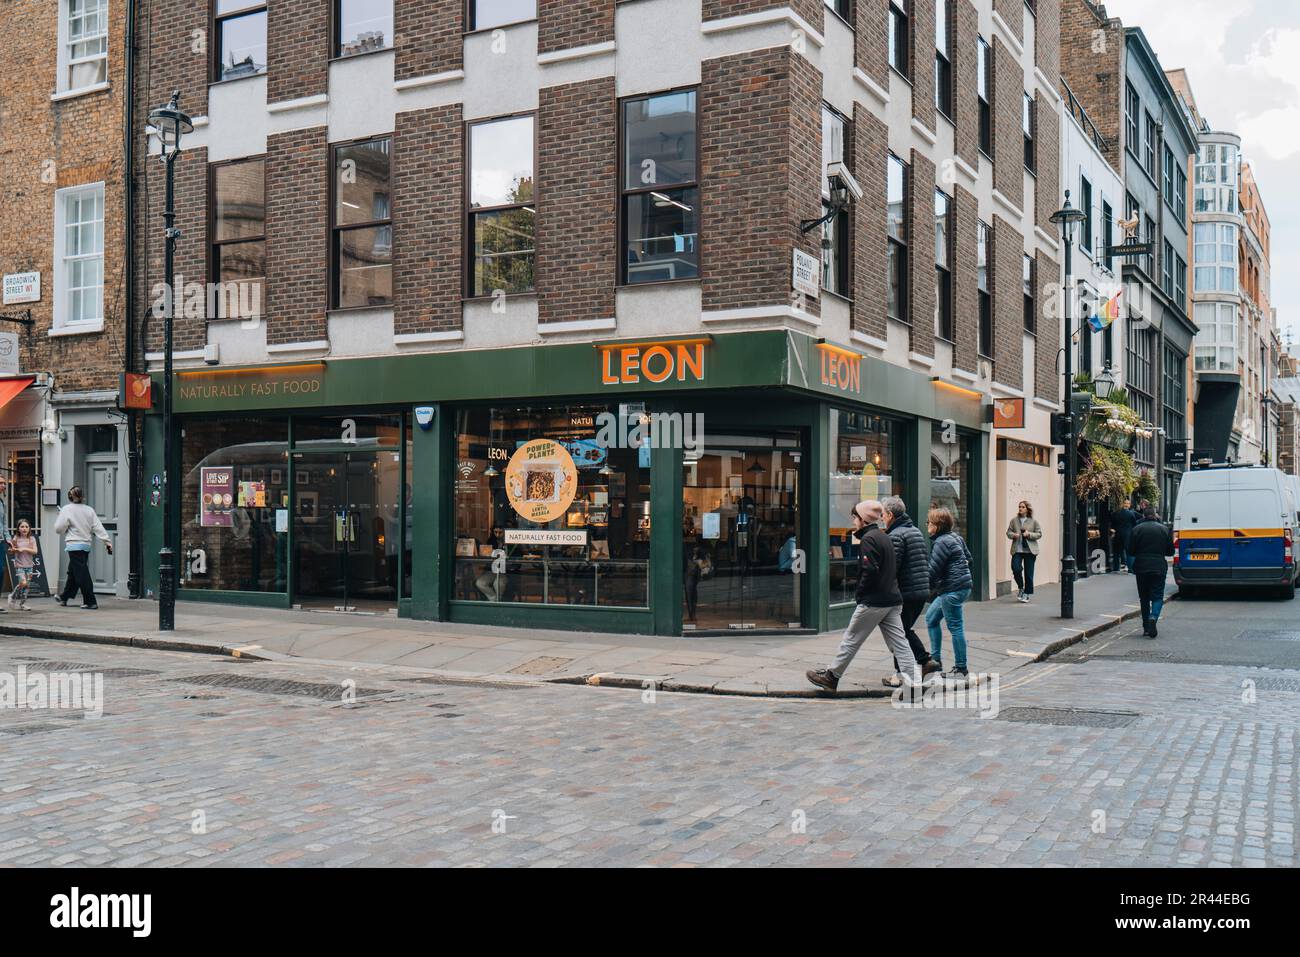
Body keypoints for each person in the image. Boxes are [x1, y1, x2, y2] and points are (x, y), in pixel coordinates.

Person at [807, 500, 915, 692]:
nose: (853, 520)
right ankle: (913, 684)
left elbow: (869, 570)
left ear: (863, 519)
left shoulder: (869, 539)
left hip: (874, 601)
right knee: (900, 643)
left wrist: (860, 594)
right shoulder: (884, 537)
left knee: (851, 638)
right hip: (892, 599)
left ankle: (831, 678)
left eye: (855, 517)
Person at [881, 496, 942, 687]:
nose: (881, 518)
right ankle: (921, 663)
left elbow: (893, 567)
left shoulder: (896, 535)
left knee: (899, 632)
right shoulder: (914, 531)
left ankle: (920, 663)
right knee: (902, 631)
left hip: (906, 592)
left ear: (890, 515)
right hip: (920, 590)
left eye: (883, 514)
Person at [926, 506, 974, 678]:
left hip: (952, 590)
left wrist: (922, 588)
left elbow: (933, 571)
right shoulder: (956, 537)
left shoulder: (941, 542)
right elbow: (969, 559)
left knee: (956, 627)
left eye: (929, 522)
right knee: (931, 618)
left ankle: (961, 668)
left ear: (937, 525)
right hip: (959, 587)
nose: (927, 525)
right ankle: (935, 662)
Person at [53, 486, 112, 609]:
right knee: (73, 572)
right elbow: (98, 527)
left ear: (70, 496)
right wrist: (107, 541)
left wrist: (61, 517)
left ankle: (91, 601)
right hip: (85, 545)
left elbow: (59, 529)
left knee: (81, 574)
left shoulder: (67, 509)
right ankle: (64, 596)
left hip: (74, 545)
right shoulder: (89, 510)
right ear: (82, 496)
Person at [1129, 505, 1173, 638]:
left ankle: (1146, 628)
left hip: (1141, 566)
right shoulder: (1164, 529)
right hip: (1159, 566)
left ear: (1143, 515)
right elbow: (1170, 551)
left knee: (1144, 598)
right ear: (1155, 514)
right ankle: (1153, 616)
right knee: (1157, 596)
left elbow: (1130, 551)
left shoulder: (1136, 529)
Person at [1006, 500, 1042, 602]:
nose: (1020, 508)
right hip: (1017, 550)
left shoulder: (1033, 521)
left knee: (1029, 573)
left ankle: (1027, 593)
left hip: (1030, 551)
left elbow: (1039, 534)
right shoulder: (1014, 521)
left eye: (1022, 507)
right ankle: (1021, 588)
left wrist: (1029, 534)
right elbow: (1008, 532)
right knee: (1016, 568)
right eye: (1019, 507)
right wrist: (1014, 535)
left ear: (1027, 509)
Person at [7, 519, 38, 610]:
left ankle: (22, 604)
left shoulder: (32, 539)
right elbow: (11, 552)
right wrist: (12, 550)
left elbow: (35, 551)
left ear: (29, 528)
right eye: (22, 527)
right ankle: (12, 596)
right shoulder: (15, 539)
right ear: (18, 528)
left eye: (26, 527)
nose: (24, 529)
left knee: (26, 586)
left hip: (29, 566)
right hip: (19, 565)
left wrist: (24, 548)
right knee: (23, 582)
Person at [1111, 498, 1139, 573]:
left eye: (1128, 503)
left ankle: (1116, 568)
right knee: (1129, 552)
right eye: (1126, 503)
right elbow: (1134, 524)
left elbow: (1112, 524)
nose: (1127, 505)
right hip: (1127, 535)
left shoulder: (1115, 513)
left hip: (1118, 535)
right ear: (1122, 504)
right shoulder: (1131, 513)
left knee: (1116, 552)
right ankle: (1131, 569)